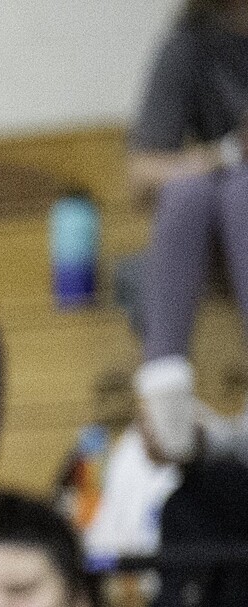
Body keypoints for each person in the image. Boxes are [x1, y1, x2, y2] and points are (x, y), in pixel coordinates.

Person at [127, 0, 248, 463]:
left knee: (241, 194)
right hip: (221, 207)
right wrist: (229, 153)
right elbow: (141, 174)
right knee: (188, 193)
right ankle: (165, 392)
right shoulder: (193, 39)